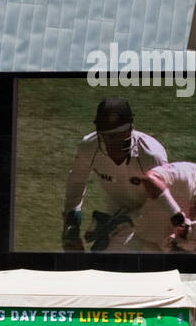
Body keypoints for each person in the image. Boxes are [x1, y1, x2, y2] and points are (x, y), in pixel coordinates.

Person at [61, 97, 168, 252]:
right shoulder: (88, 147)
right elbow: (77, 181)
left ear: (131, 127)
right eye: (107, 136)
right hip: (114, 215)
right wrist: (71, 223)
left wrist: (128, 220)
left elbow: (163, 202)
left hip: (151, 218)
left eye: (119, 135)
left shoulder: (151, 155)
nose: (113, 142)